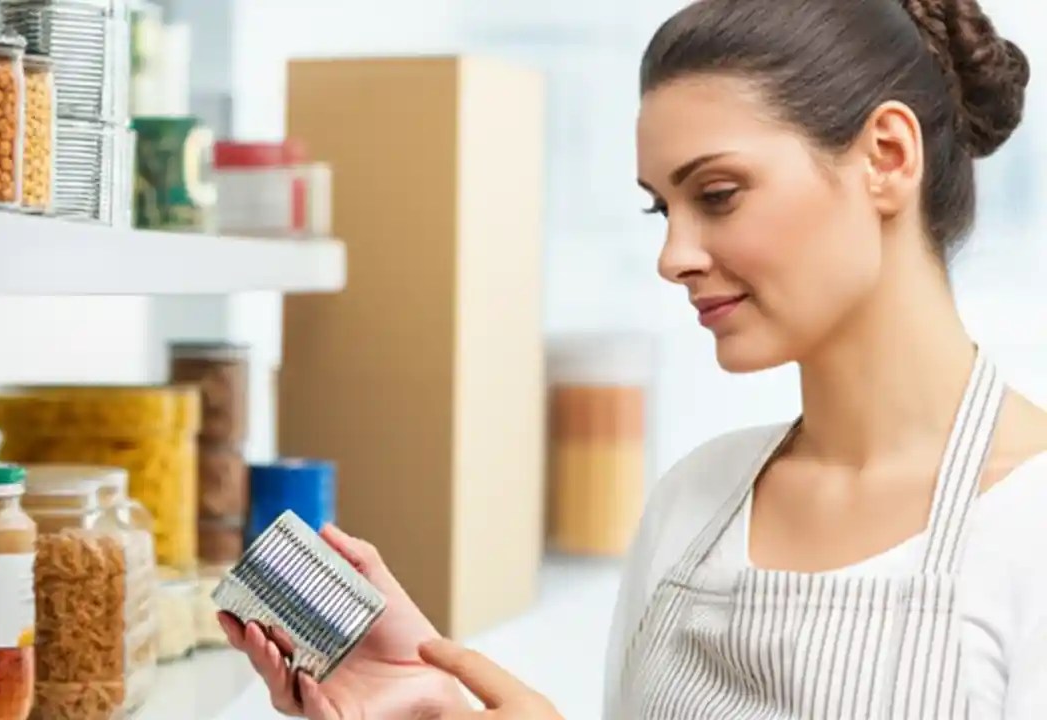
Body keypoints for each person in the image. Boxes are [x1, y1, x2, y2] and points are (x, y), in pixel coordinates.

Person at [219, 0, 1047, 716]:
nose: (674, 255)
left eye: (717, 195)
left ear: (888, 157)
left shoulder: (1031, 528)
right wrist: (438, 693)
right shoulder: (695, 502)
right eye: (662, 210)